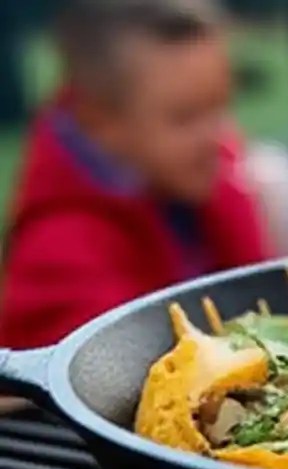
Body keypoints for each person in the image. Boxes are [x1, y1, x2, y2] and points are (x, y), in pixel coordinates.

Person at [0, 0, 271, 349]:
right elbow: (120, 378)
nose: (214, 137)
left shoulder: (201, 182)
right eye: (184, 117)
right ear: (101, 122)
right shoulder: (62, 255)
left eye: (219, 107)